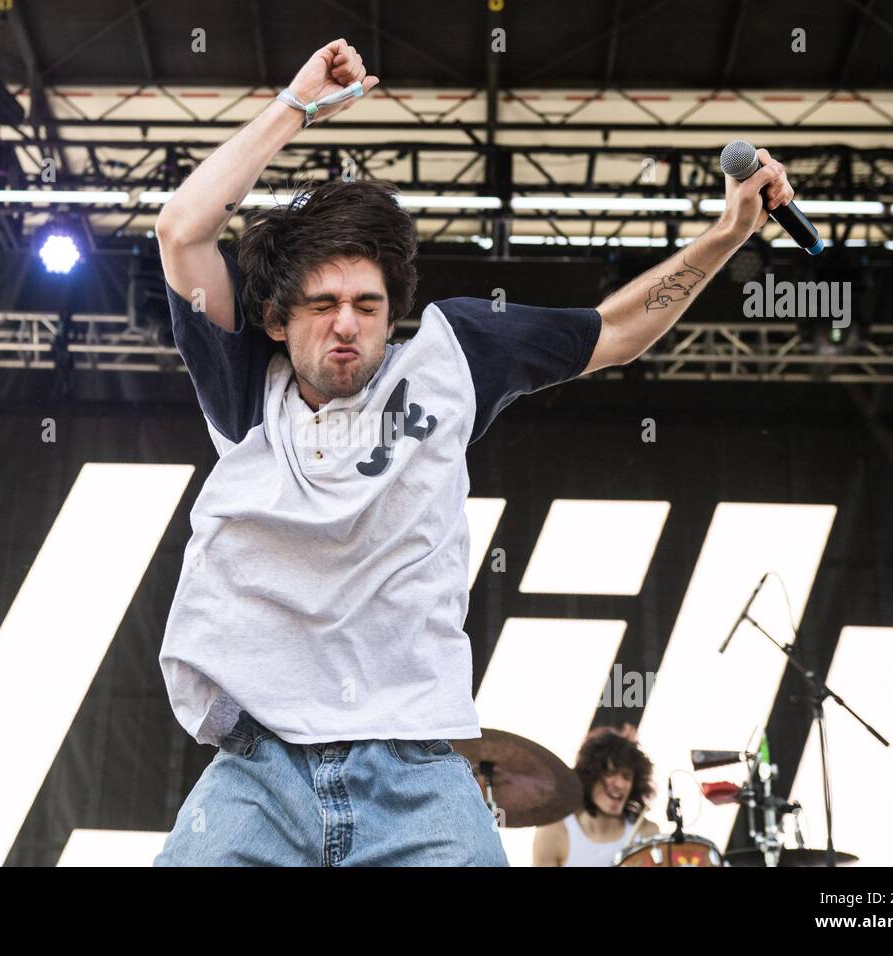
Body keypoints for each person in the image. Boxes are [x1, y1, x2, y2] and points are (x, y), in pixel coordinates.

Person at [152, 37, 795, 866]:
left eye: (366, 304)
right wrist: (296, 106)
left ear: (392, 315)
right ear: (278, 321)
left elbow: (618, 332)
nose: (346, 322)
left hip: (419, 772)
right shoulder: (245, 393)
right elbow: (181, 229)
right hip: (258, 772)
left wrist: (728, 232)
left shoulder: (452, 361)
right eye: (321, 305)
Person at [532, 726, 660, 867]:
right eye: (610, 773)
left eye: (626, 776)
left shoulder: (646, 834)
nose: (620, 784)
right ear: (590, 776)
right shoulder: (555, 832)